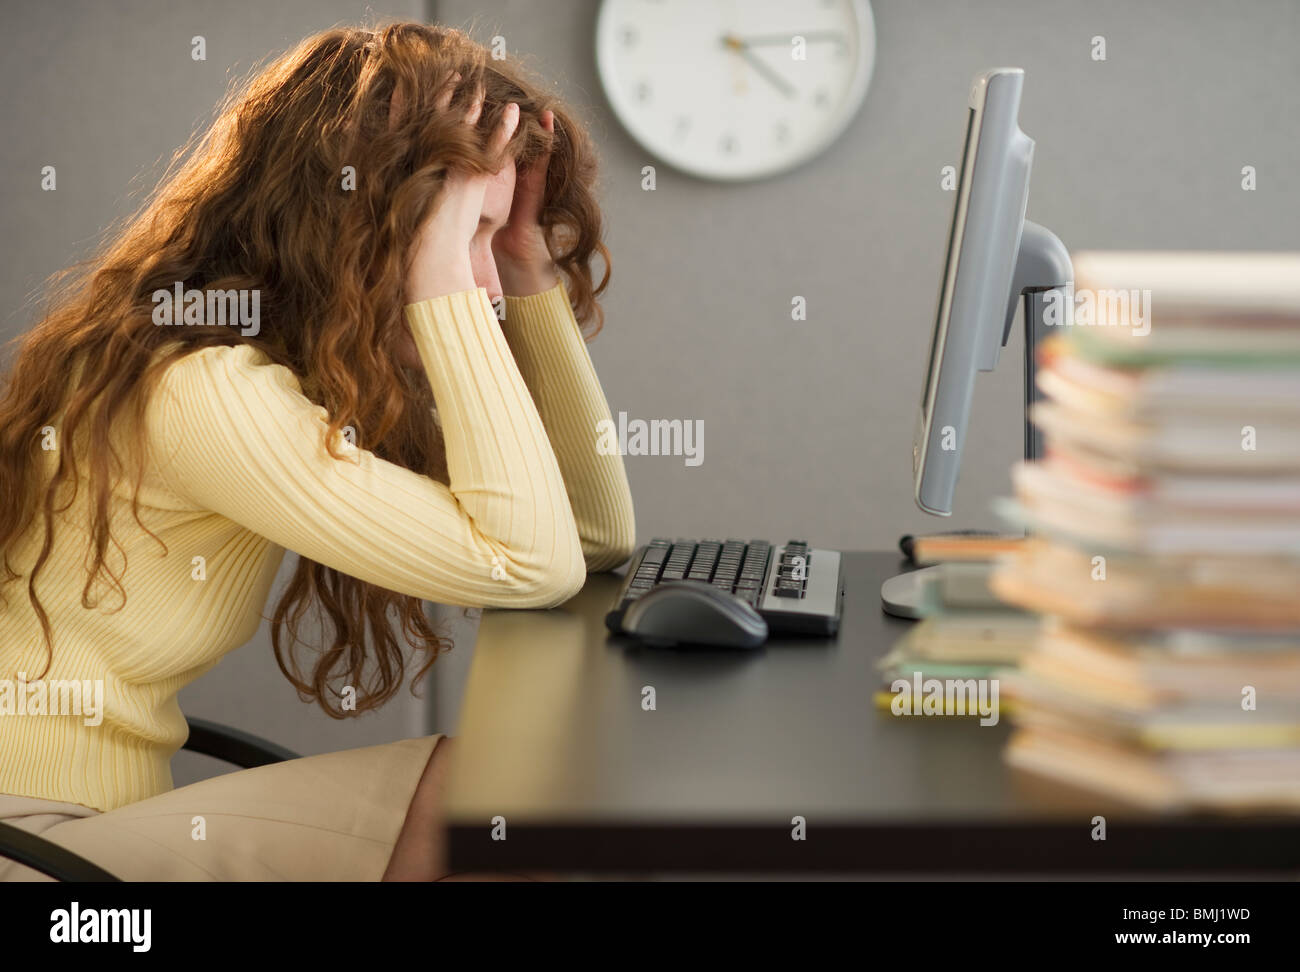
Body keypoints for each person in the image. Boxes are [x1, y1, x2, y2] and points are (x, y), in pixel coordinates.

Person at [0, 21, 635, 881]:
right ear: (356, 225)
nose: (479, 281)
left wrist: (524, 265)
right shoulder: (199, 389)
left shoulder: (260, 368)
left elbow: (591, 541)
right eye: (460, 232)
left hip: (83, 830)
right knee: (492, 789)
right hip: (35, 846)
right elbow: (532, 564)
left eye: (494, 236)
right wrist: (447, 280)